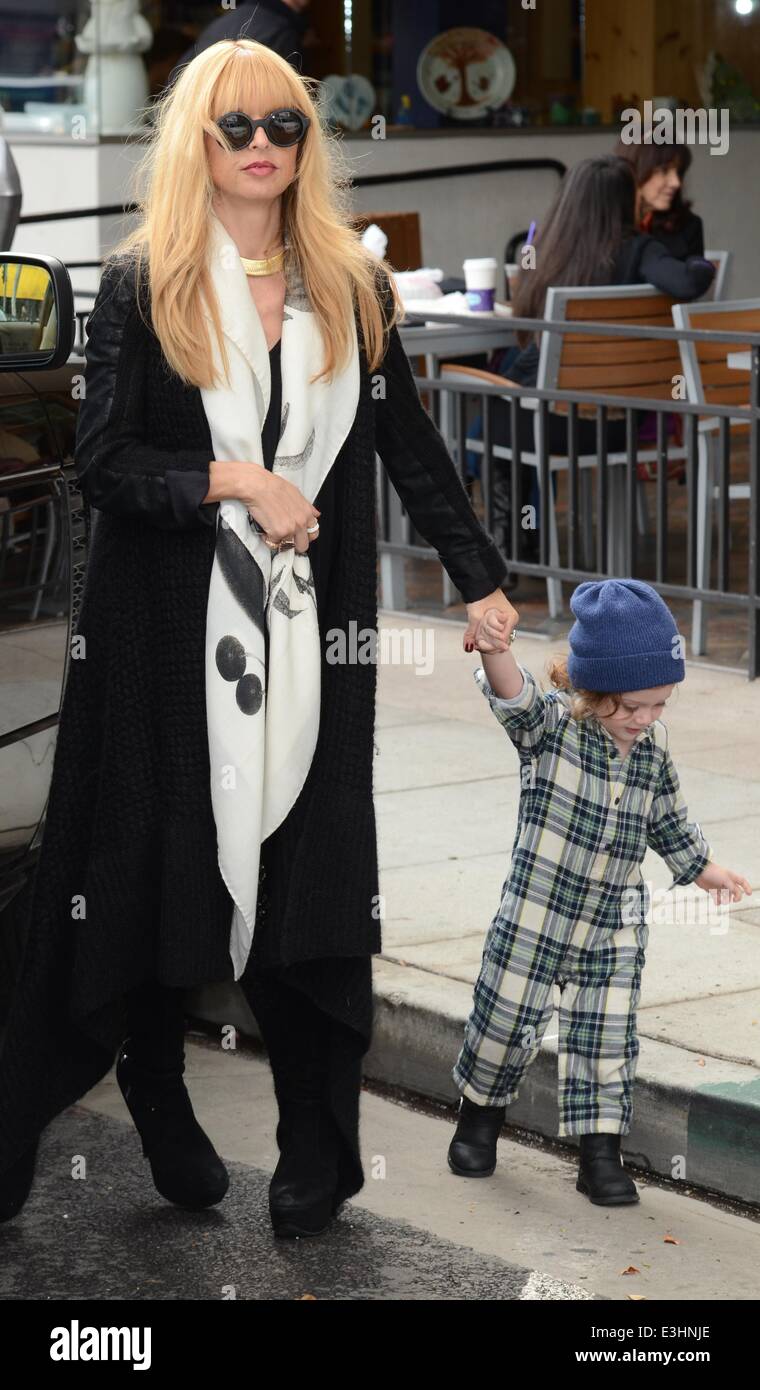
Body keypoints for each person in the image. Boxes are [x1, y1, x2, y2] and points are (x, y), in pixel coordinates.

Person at [0, 38, 515, 1235]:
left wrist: (483, 582)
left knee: (310, 882)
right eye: (236, 127)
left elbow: (410, 454)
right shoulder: (144, 284)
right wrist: (232, 478)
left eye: (283, 124)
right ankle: (151, 1080)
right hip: (161, 642)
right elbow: (106, 464)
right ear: (197, 141)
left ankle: (317, 1150)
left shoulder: (352, 286)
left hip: (311, 649)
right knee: (145, 874)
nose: (262, 146)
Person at [448, 579, 750, 1203]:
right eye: (631, 706)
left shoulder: (653, 748)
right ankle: (479, 1119)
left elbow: (667, 817)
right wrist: (493, 646)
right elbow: (513, 692)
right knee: (504, 1021)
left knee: (605, 1037)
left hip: (614, 922)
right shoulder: (551, 728)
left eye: (659, 705)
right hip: (536, 915)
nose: (644, 720)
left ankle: (600, 1155)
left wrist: (704, 868)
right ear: (592, 689)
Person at [490, 155, 715, 574]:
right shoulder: (639, 250)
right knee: (503, 414)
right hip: (621, 425)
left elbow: (524, 326)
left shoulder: (549, 254)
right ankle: (523, 544)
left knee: (484, 419)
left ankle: (513, 547)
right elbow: (687, 281)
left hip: (557, 427)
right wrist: (702, 264)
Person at [166, 0, 312, 86]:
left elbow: (179, 78)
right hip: (231, 125)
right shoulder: (279, 29)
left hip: (193, 116)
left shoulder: (227, 21)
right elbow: (281, 98)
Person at [614, 135, 705, 260]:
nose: (676, 182)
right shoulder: (601, 224)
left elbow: (694, 277)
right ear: (633, 171)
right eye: (664, 171)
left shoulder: (688, 226)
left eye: (678, 172)